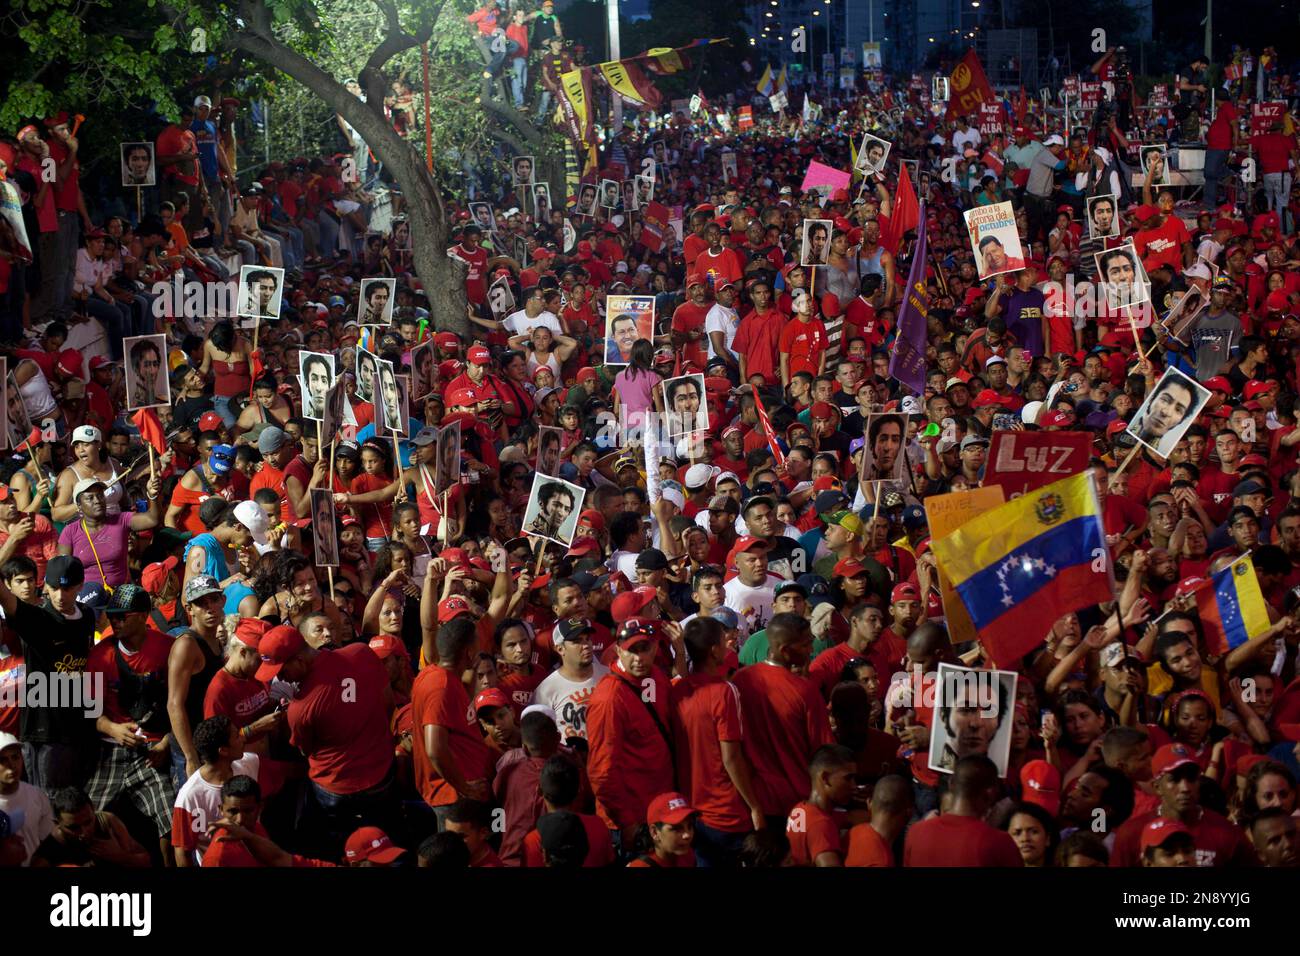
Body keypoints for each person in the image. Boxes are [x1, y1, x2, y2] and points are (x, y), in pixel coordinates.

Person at [1131, 372, 1199, 457]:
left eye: (1178, 410)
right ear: (1152, 399)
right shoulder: (1128, 431)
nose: (1166, 412)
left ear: (1180, 421)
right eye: (1165, 400)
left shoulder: (1169, 457)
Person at [128, 336, 164, 408]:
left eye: (155, 364)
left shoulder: (162, 399)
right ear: (136, 369)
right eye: (147, 365)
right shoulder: (134, 404)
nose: (153, 371)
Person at [301, 352, 331, 419]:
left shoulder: (337, 419)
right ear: (307, 384)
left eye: (324, 381)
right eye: (314, 379)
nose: (319, 388)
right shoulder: (302, 417)